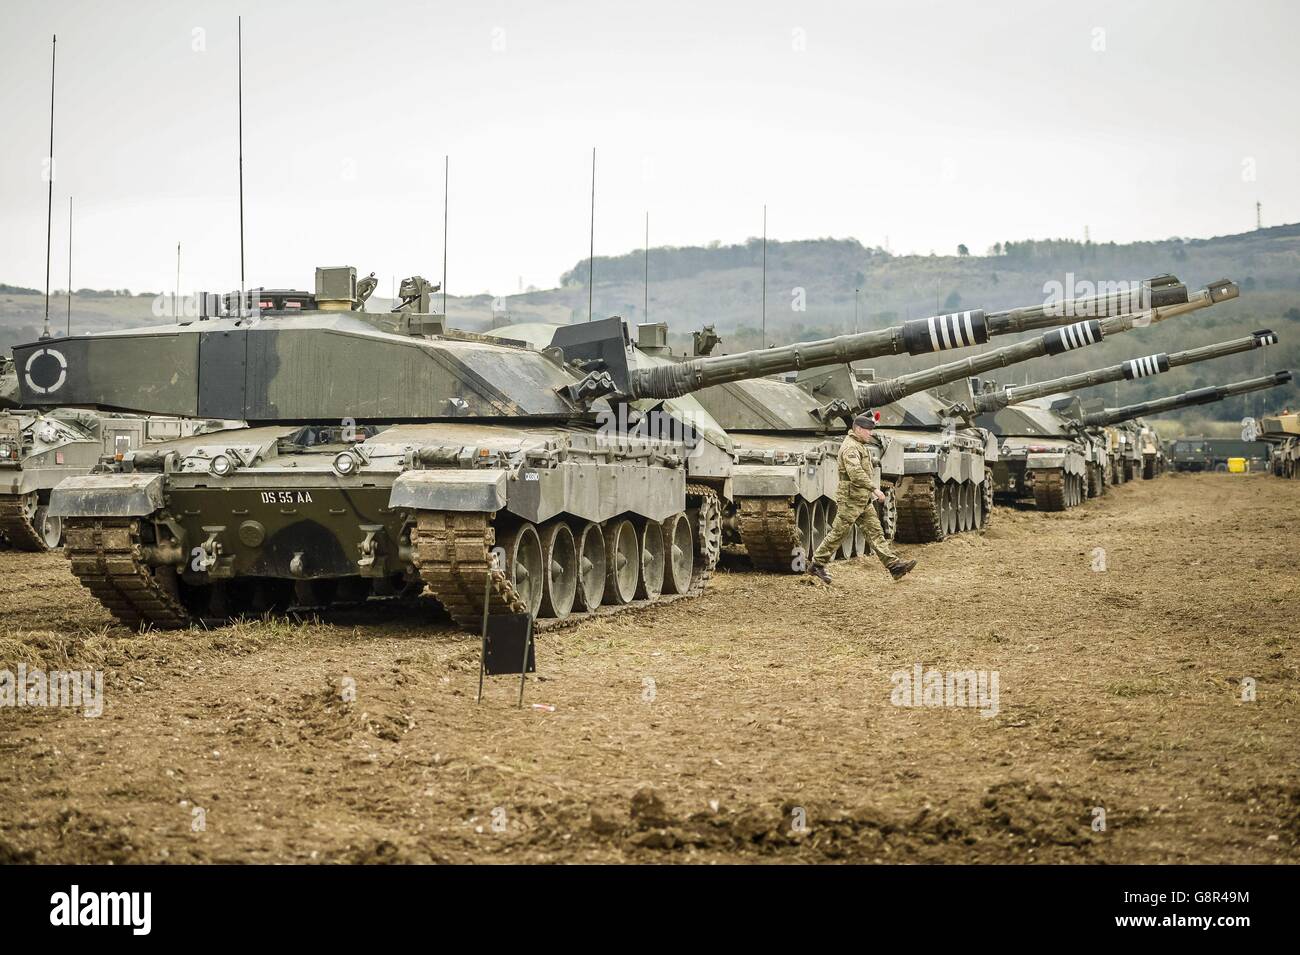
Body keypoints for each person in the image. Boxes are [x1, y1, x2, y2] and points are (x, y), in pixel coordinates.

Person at [809, 412, 917, 584]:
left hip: (861, 500)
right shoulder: (851, 447)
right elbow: (856, 474)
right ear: (858, 429)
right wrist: (875, 489)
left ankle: (894, 567)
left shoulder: (859, 444)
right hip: (851, 500)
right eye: (867, 430)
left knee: (875, 533)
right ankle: (817, 564)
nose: (870, 433)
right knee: (839, 532)